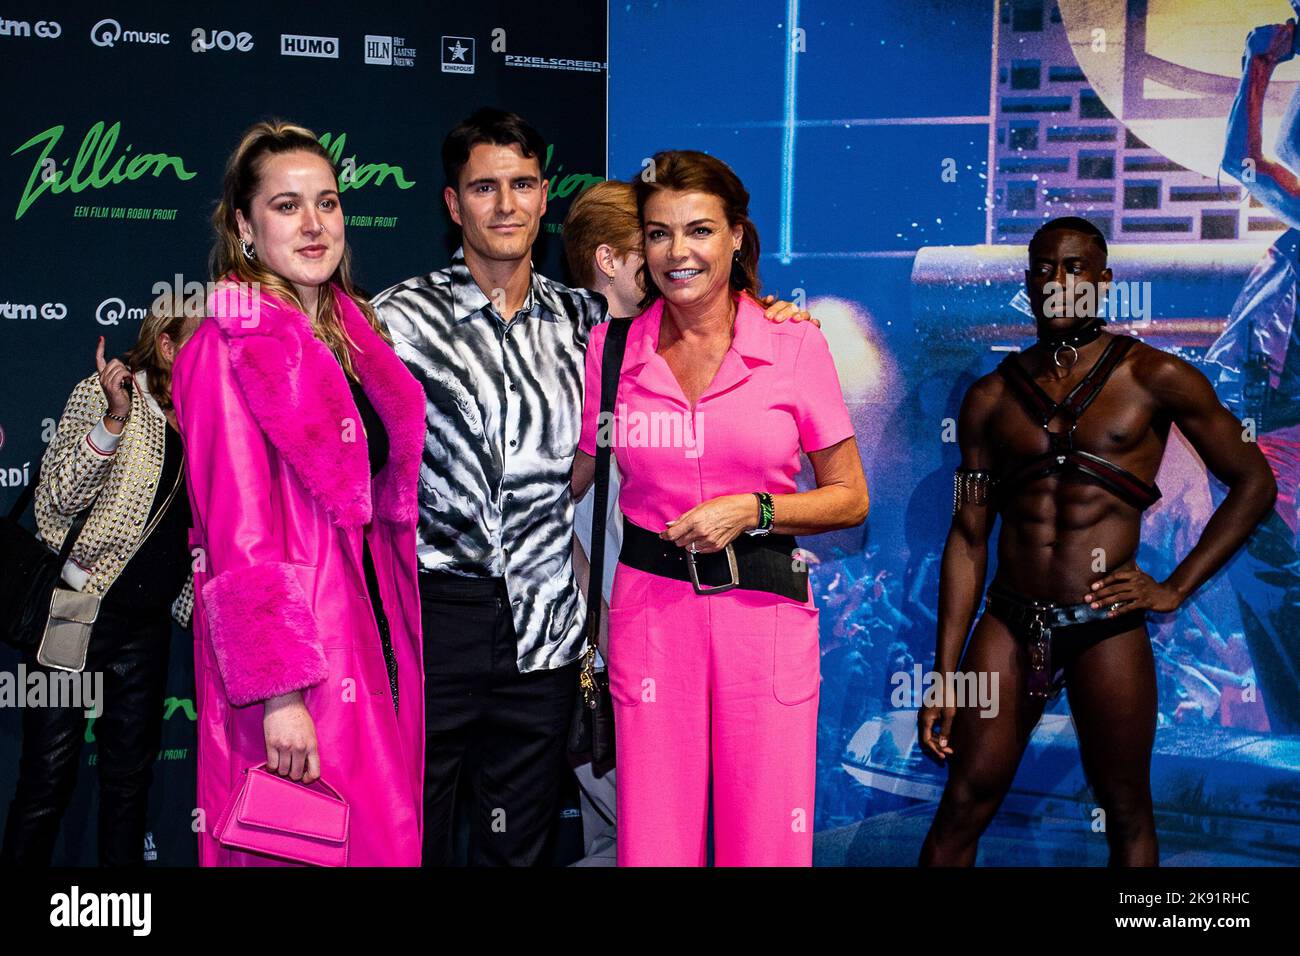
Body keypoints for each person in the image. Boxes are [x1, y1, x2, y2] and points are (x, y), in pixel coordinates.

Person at [375, 110, 818, 867]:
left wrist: (768, 311)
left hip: (545, 633)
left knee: (518, 847)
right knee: (408, 839)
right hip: (432, 619)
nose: (506, 205)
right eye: (484, 187)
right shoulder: (393, 321)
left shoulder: (592, 326)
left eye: (521, 185)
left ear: (545, 196)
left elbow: (700, 316)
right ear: (454, 204)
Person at [917, 217, 1278, 867]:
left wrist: (1174, 588)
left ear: (1103, 281)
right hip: (1010, 618)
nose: (1060, 282)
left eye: (1076, 267)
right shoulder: (990, 398)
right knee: (965, 800)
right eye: (1046, 269)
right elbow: (969, 537)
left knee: (1126, 809)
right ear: (1028, 284)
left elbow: (1253, 483)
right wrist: (945, 675)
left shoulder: (1157, 377)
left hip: (1105, 623)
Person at [571, 149, 870, 866]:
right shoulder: (610, 352)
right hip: (650, 621)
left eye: (700, 231)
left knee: (766, 842)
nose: (680, 252)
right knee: (654, 844)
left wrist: (754, 509)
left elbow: (851, 497)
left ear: (737, 235)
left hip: (762, 616)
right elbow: (572, 475)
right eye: (659, 233)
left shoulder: (794, 345)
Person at [171, 120, 426, 866]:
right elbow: (236, 532)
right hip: (294, 670)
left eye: (328, 201)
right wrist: (280, 693)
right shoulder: (225, 345)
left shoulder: (355, 337)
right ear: (244, 227)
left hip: (377, 644)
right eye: (286, 207)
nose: (315, 224)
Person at [2, 300, 197, 866]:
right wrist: (111, 421)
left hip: (146, 631)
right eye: (202, 343)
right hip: (73, 608)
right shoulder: (110, 394)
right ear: (167, 345)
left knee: (128, 784)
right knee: (48, 777)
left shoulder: (207, 421)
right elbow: (57, 498)